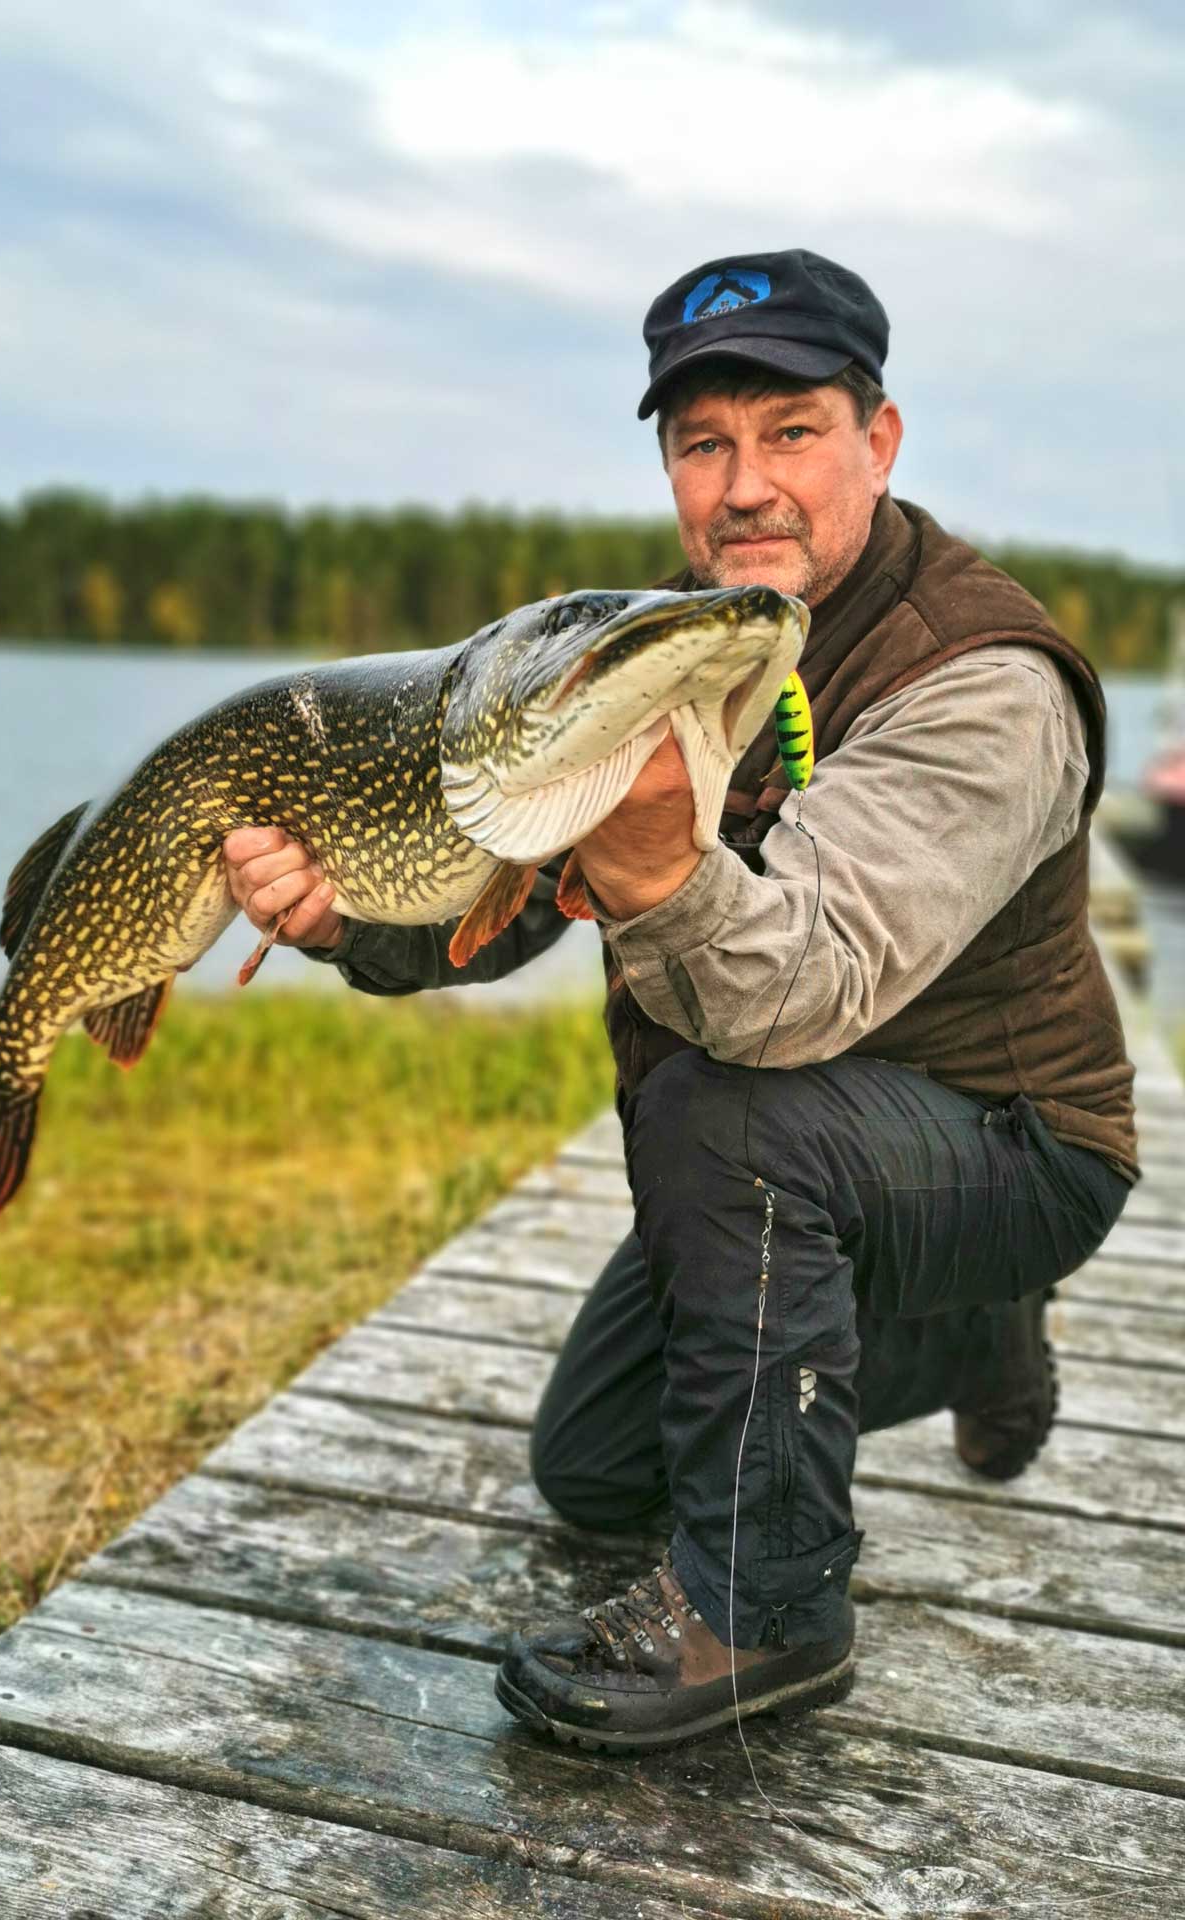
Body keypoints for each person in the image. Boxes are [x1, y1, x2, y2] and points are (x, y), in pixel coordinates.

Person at [222, 249, 1137, 1753]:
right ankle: (975, 1342)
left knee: (725, 1113)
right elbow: (495, 909)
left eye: (791, 432)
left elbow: (798, 997)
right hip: (799, 1158)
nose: (745, 486)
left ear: (879, 440)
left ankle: (766, 1612)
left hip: (1013, 1145)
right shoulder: (662, 647)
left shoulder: (985, 680)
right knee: (593, 1468)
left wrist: (651, 867)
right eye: (703, 444)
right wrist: (346, 919)